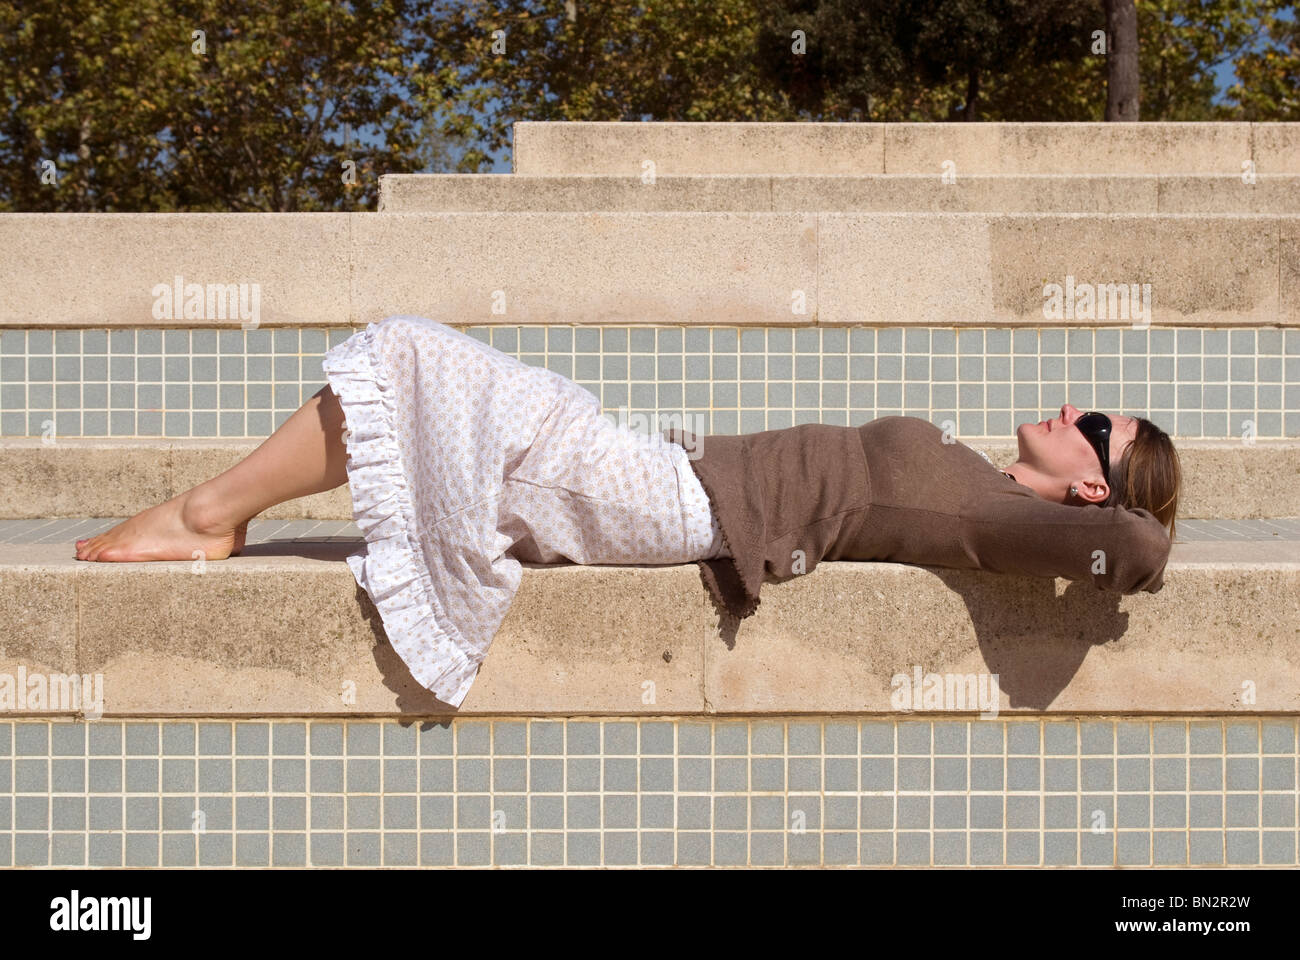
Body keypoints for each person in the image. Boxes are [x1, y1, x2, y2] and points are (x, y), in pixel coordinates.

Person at [74, 315, 1181, 707]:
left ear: (1089, 485)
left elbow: (1133, 544)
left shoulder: (1002, 518)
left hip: (673, 501)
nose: (1079, 409)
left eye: (1102, 430)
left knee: (417, 355)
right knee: (450, 396)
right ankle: (209, 513)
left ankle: (204, 514)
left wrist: (1137, 534)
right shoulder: (979, 485)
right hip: (664, 474)